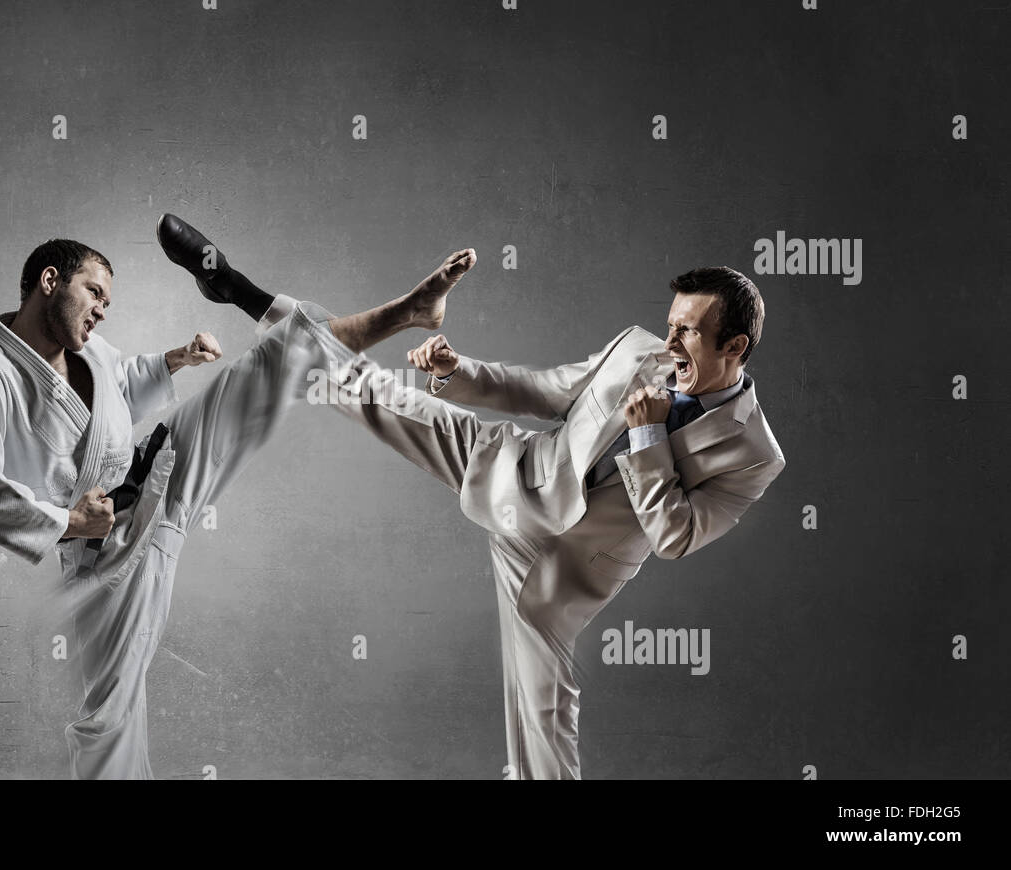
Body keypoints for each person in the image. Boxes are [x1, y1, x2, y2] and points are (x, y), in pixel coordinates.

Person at [171, 217, 785, 780]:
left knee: (546, 719)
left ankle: (327, 311)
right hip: (516, 474)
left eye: (690, 333)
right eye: (671, 323)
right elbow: (547, 393)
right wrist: (455, 371)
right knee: (380, 395)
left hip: (564, 576)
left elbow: (675, 537)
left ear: (735, 348)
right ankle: (247, 294)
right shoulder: (638, 349)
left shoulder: (754, 454)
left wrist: (650, 435)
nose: (671, 343)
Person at [0, 219, 472, 779]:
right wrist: (70, 520)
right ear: (50, 280)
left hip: (157, 472)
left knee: (270, 363)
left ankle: (407, 311)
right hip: (103, 556)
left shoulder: (87, 351)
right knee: (111, 720)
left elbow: (120, 384)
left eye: (106, 303)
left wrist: (176, 359)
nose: (101, 311)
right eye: (95, 293)